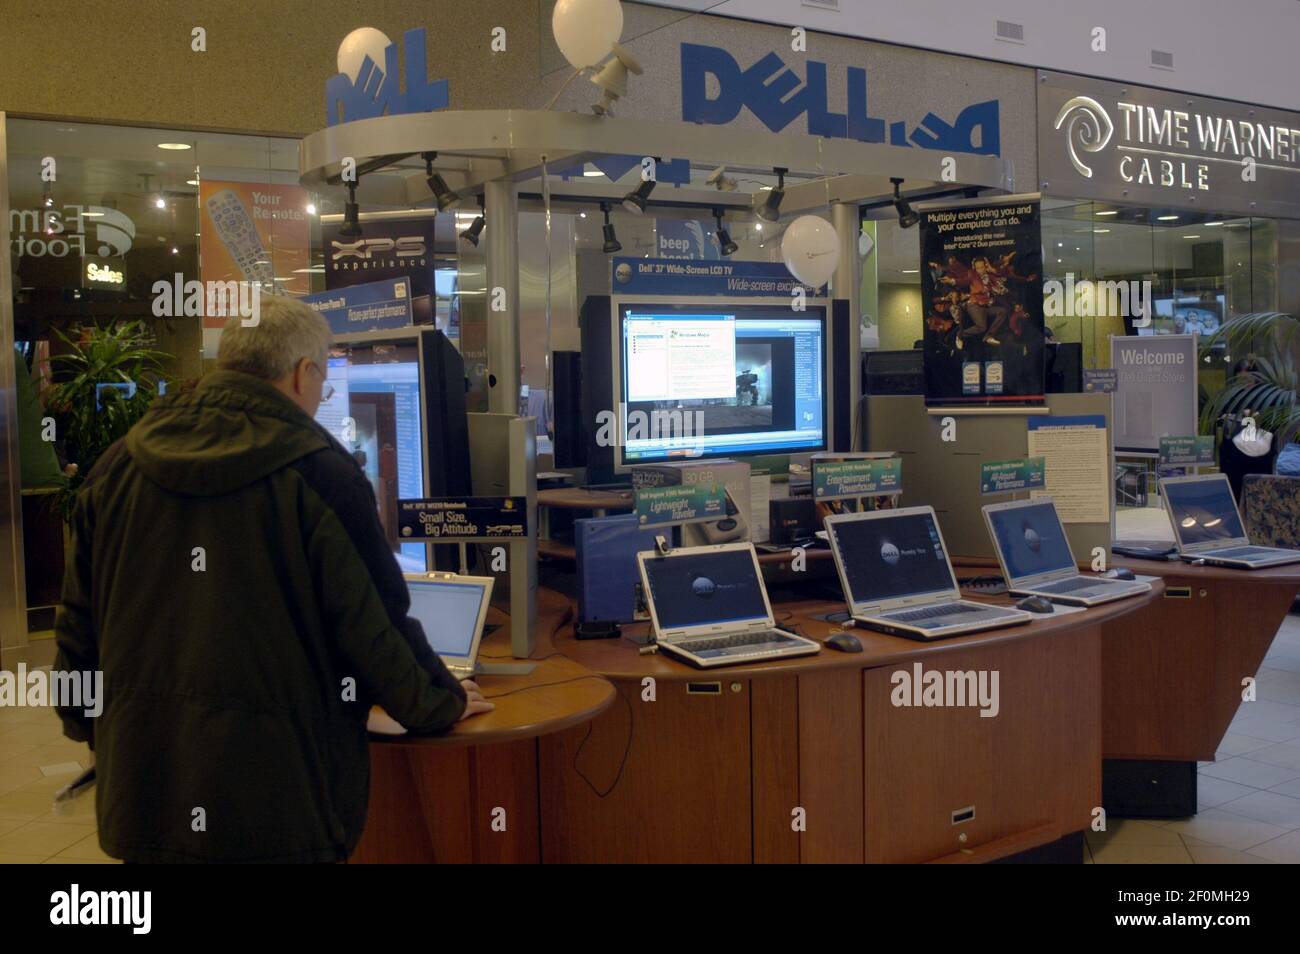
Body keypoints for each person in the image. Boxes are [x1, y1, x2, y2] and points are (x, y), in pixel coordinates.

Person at [53, 295, 492, 864]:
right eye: (324, 381)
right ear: (304, 373)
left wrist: (91, 728)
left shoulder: (118, 466)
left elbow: (76, 626)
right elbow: (374, 627)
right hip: (282, 803)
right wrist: (437, 701)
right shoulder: (320, 473)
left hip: (145, 791)